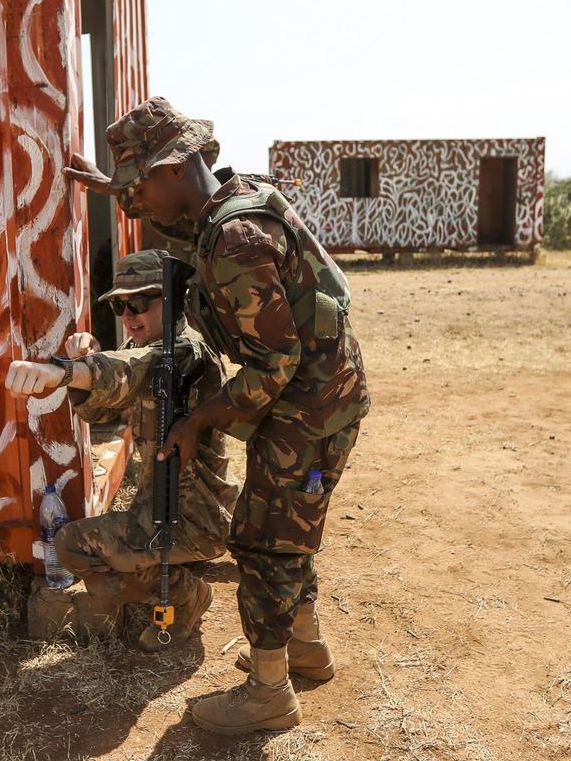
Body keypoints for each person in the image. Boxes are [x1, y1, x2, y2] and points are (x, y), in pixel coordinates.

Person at [63, 97, 370, 734]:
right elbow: (182, 234)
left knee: (262, 540)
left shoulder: (233, 239)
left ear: (175, 168)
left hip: (307, 405)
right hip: (314, 396)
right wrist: (109, 185)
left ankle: (268, 692)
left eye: (139, 184)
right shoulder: (225, 206)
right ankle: (307, 648)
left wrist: (199, 418)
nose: (135, 201)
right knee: (290, 526)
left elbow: (274, 364)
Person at [4, 249, 239, 651]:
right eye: (120, 305)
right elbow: (105, 404)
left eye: (141, 302)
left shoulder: (185, 354)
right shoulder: (149, 349)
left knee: (72, 545)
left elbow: (132, 367)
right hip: (159, 508)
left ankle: (185, 596)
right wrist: (85, 360)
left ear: (172, 300)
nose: (129, 315)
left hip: (195, 519)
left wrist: (61, 371)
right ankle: (174, 581)